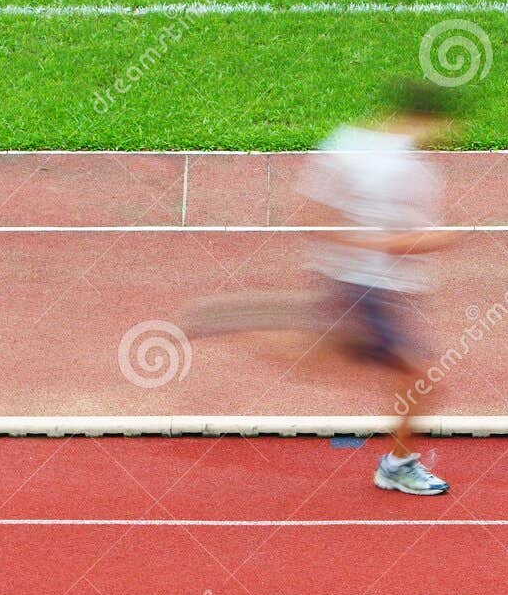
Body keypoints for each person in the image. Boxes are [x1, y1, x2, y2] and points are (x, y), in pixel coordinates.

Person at [185, 79, 463, 494]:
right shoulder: (408, 168)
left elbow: (314, 215)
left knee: (321, 355)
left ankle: (235, 320)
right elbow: (384, 237)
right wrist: (427, 241)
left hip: (362, 284)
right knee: (420, 378)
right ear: (430, 120)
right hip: (369, 288)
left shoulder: (347, 143)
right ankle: (397, 466)